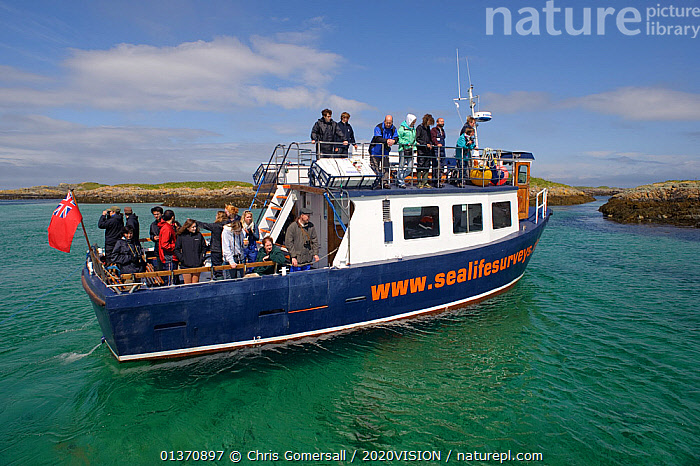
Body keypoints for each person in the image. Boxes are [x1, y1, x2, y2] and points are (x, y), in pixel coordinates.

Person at [174, 219, 208, 284]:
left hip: (197, 264)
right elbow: (177, 249)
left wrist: (201, 258)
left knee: (195, 283)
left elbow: (204, 248)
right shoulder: (182, 236)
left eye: (195, 227)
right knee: (187, 284)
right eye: (193, 227)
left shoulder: (199, 235)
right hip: (186, 265)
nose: (194, 229)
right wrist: (182, 259)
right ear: (187, 227)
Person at [197, 210, 228, 279]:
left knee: (216, 267)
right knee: (223, 265)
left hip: (216, 249)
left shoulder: (216, 226)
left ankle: (219, 279)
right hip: (225, 248)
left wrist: (194, 221)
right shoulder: (228, 225)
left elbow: (204, 225)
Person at [285, 208, 319, 272]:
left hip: (307, 258)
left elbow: (314, 240)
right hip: (297, 259)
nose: (309, 218)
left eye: (309, 216)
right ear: (302, 216)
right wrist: (293, 257)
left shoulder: (311, 226)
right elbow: (288, 243)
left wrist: (315, 254)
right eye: (307, 216)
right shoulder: (292, 227)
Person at [369, 115, 398, 188]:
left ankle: (385, 182)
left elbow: (397, 138)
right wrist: (387, 141)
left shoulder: (393, 129)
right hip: (375, 151)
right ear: (384, 121)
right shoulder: (378, 127)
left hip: (385, 152)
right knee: (375, 167)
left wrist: (393, 141)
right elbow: (378, 138)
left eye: (390, 123)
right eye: (387, 123)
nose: (388, 125)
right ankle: (376, 182)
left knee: (385, 167)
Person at [396, 114, 416, 189]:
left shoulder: (413, 129)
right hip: (403, 149)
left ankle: (399, 177)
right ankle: (401, 182)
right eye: (413, 121)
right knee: (401, 165)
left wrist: (414, 144)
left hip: (411, 149)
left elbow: (414, 138)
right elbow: (399, 138)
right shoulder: (402, 129)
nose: (414, 123)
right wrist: (405, 143)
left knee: (410, 167)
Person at [158, 209, 178, 285]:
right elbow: (165, 245)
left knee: (173, 277)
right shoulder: (167, 228)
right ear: (172, 217)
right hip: (169, 257)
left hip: (171, 256)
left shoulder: (169, 227)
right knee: (170, 279)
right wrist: (176, 246)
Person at [415, 114, 435, 188]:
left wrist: (430, 143)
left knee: (427, 166)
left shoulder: (428, 128)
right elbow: (417, 138)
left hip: (427, 150)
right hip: (421, 150)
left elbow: (429, 138)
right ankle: (419, 182)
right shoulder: (419, 128)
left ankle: (425, 182)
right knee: (420, 165)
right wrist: (425, 144)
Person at [430, 117, 446, 187]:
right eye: (441, 121)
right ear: (437, 122)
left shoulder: (442, 131)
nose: (442, 123)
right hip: (436, 150)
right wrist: (436, 143)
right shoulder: (434, 130)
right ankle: (435, 181)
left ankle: (439, 180)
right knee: (436, 165)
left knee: (441, 166)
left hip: (442, 150)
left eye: (443, 121)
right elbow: (433, 138)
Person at [149, 206, 164, 271]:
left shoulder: (166, 223)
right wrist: (153, 238)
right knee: (159, 266)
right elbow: (151, 235)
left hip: (166, 248)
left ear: (161, 214)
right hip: (158, 247)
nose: (156, 216)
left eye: (157, 214)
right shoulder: (153, 225)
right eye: (154, 214)